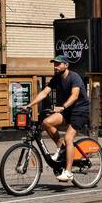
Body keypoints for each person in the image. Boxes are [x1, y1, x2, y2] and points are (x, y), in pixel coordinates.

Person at [31, 54, 90, 183]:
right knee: (46, 122)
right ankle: (61, 147)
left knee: (69, 138)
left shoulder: (74, 77)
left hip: (80, 111)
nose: (55, 66)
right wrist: (30, 104)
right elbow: (44, 92)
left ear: (66, 65)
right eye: (54, 64)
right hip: (67, 110)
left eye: (58, 64)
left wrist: (62, 107)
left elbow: (74, 96)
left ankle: (68, 172)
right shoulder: (56, 78)